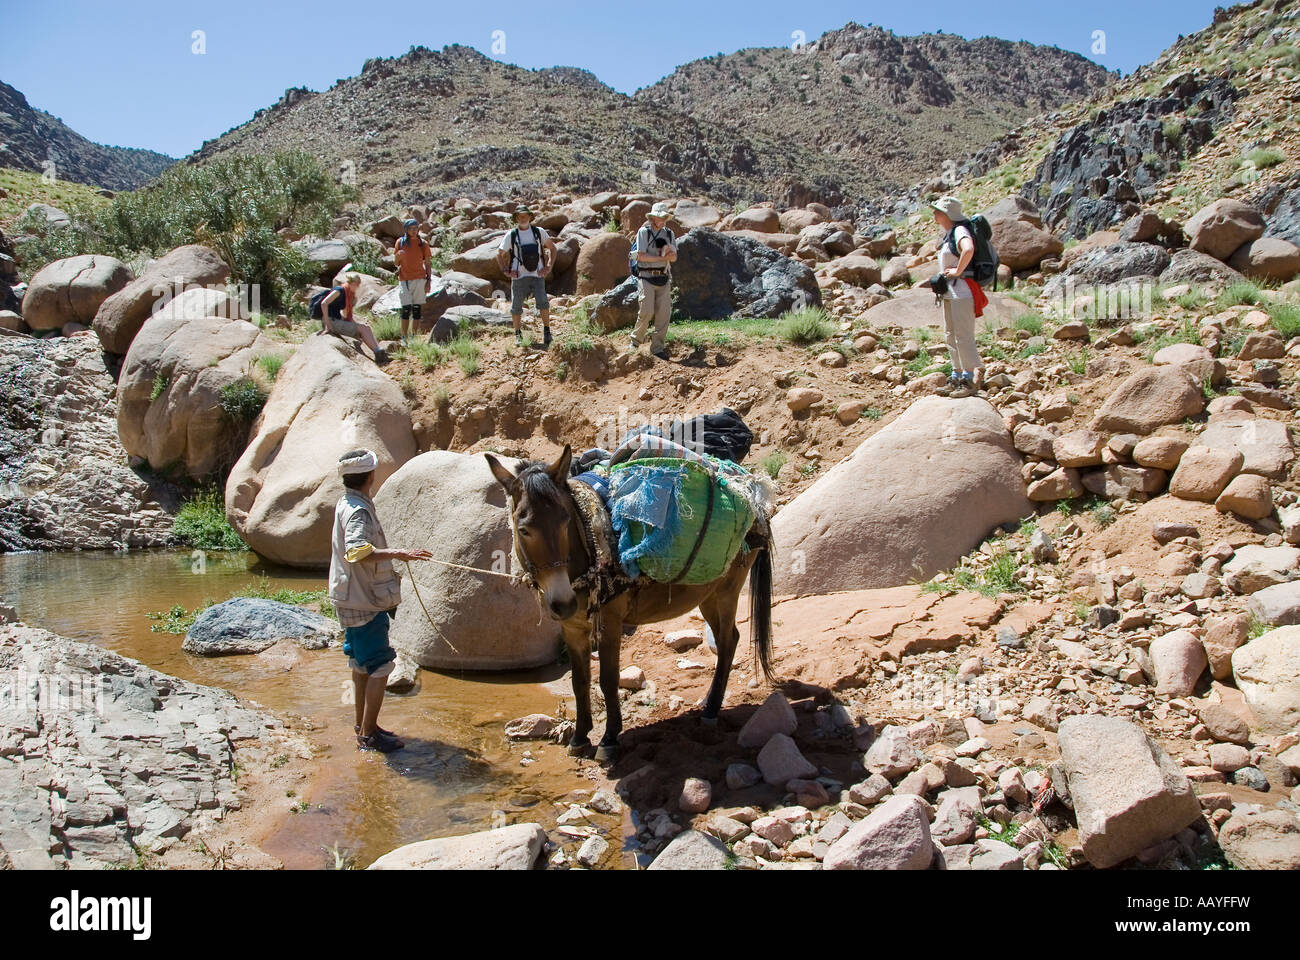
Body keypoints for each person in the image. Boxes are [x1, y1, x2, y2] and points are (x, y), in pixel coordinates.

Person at [328, 448, 433, 753]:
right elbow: (357, 551)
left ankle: (363, 727)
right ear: (370, 476)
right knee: (381, 665)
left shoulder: (347, 502)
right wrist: (401, 553)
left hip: (351, 596)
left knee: (362, 665)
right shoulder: (358, 510)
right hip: (364, 600)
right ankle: (369, 734)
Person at [928, 196, 986, 398]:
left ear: (946, 214)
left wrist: (958, 271)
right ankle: (957, 375)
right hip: (951, 293)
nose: (934, 214)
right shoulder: (949, 234)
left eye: (937, 211)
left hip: (962, 292)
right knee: (951, 335)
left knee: (963, 336)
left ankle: (969, 379)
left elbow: (968, 248)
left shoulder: (960, 231)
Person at [496, 205, 557, 347]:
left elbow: (553, 249)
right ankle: (518, 335)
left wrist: (548, 267)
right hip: (519, 276)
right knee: (516, 306)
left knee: (543, 303)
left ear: (530, 217)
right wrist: (506, 271)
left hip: (537, 274)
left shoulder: (538, 232)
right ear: (517, 218)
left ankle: (547, 332)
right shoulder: (511, 235)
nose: (523, 218)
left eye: (525, 216)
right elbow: (499, 254)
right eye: (520, 216)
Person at [629, 201, 678, 361]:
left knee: (664, 314)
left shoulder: (669, 234)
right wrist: (661, 258)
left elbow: (674, 256)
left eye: (665, 217)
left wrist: (666, 255)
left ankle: (657, 348)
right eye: (660, 217)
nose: (662, 220)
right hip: (646, 277)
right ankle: (635, 342)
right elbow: (641, 255)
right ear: (653, 217)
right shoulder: (644, 232)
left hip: (663, 277)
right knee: (647, 311)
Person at [319, 272, 388, 364]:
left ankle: (379, 351)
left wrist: (355, 326)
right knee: (362, 329)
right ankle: (378, 354)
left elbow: (346, 313)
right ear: (353, 284)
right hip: (332, 322)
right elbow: (324, 303)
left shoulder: (347, 292)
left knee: (365, 327)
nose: (358, 287)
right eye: (357, 285)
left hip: (336, 320)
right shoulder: (339, 290)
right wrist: (327, 326)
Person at [393, 218, 432, 340]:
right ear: (406, 230)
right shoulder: (400, 242)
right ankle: (404, 337)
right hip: (404, 280)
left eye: (415, 228)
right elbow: (396, 263)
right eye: (411, 229)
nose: (413, 231)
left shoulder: (423, 244)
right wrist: (398, 256)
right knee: (405, 309)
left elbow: (428, 263)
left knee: (416, 309)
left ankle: (413, 337)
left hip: (419, 279)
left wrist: (428, 280)